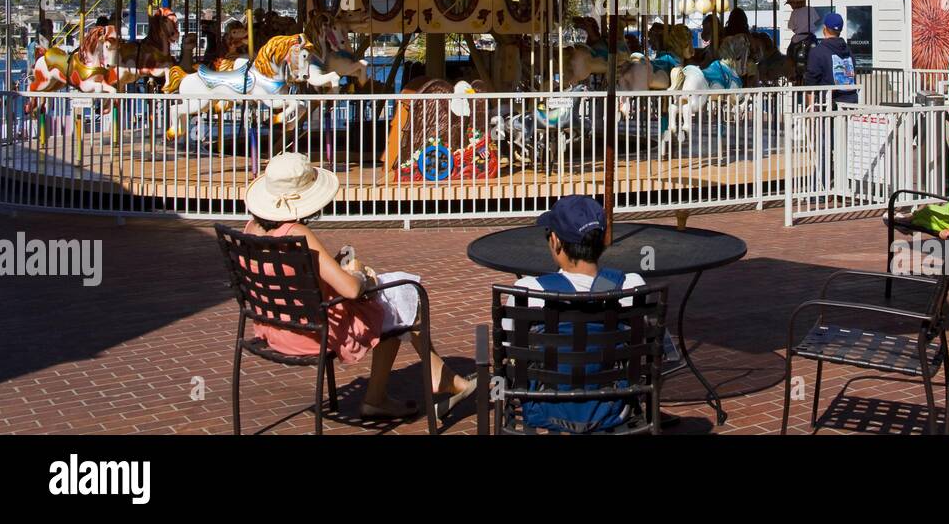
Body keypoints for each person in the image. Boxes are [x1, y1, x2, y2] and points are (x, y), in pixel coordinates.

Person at [242, 153, 474, 419]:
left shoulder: (252, 228)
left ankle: (432, 376)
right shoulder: (296, 233)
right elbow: (351, 290)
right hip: (313, 333)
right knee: (408, 290)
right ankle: (419, 383)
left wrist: (331, 263)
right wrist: (360, 273)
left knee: (394, 301)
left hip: (274, 328)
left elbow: (289, 274)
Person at [507, 195, 647, 432]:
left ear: (555, 241)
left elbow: (509, 346)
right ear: (603, 240)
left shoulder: (528, 290)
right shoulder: (632, 285)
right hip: (614, 403)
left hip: (543, 405)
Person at [803, 12, 857, 106]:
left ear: (824, 28)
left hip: (829, 107)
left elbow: (811, 81)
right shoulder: (848, 50)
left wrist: (810, 109)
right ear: (840, 30)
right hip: (851, 102)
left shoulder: (818, 51)